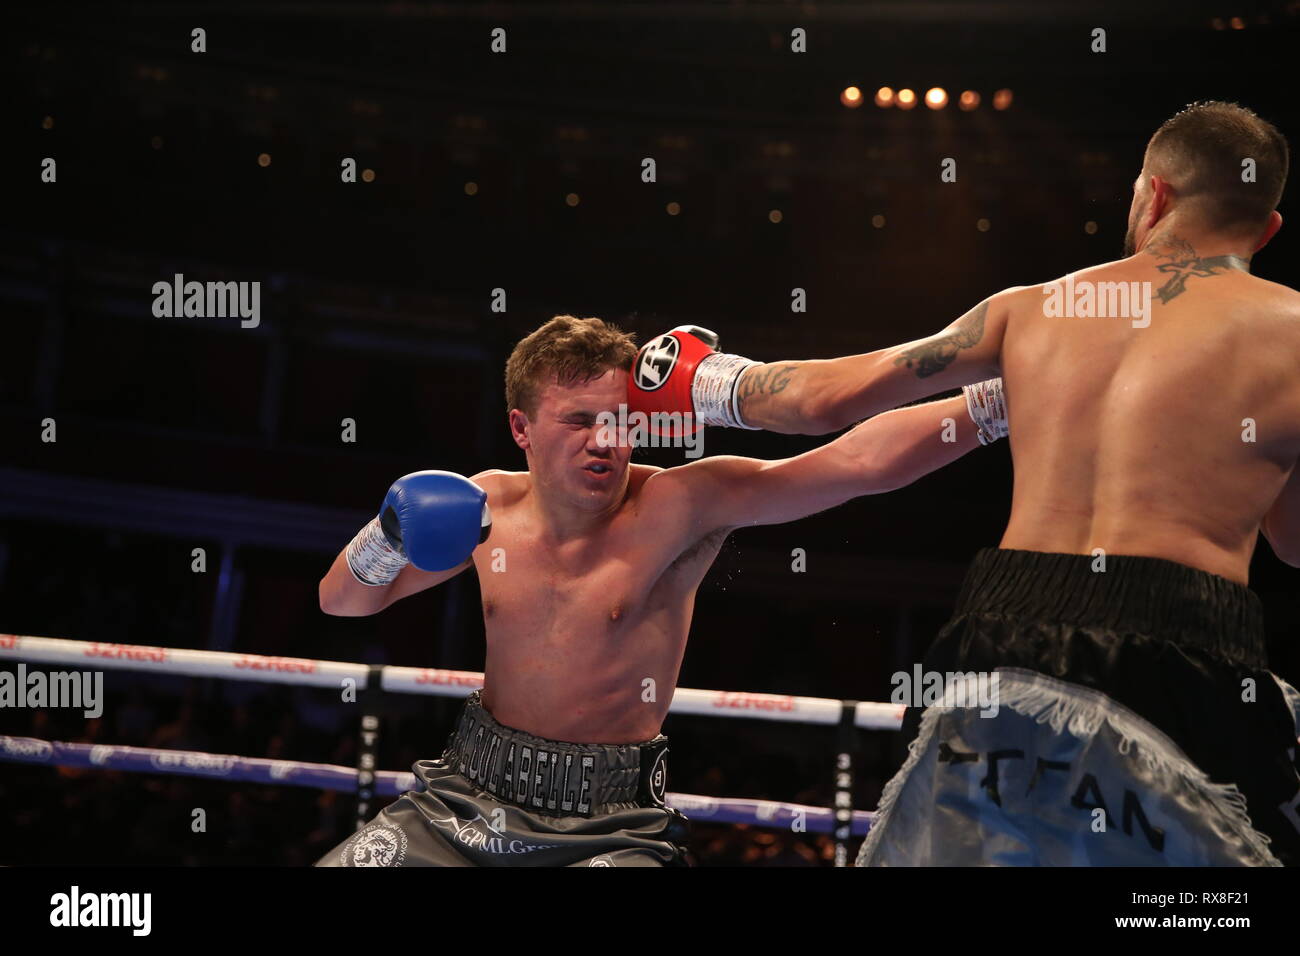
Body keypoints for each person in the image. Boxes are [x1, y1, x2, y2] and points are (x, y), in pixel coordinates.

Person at [635, 101, 1300, 865]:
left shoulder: (1037, 307)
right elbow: (1292, 543)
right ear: (1269, 227)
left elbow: (820, 401)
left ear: (1153, 194)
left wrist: (697, 377)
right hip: (1184, 637)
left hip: (1006, 631)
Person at [313, 315, 1002, 866]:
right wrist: (386, 534)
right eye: (579, 422)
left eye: (617, 420)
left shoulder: (678, 506)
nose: (604, 442)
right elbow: (341, 601)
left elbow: (855, 463)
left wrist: (993, 403)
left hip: (608, 829)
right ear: (521, 427)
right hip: (460, 800)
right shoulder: (484, 507)